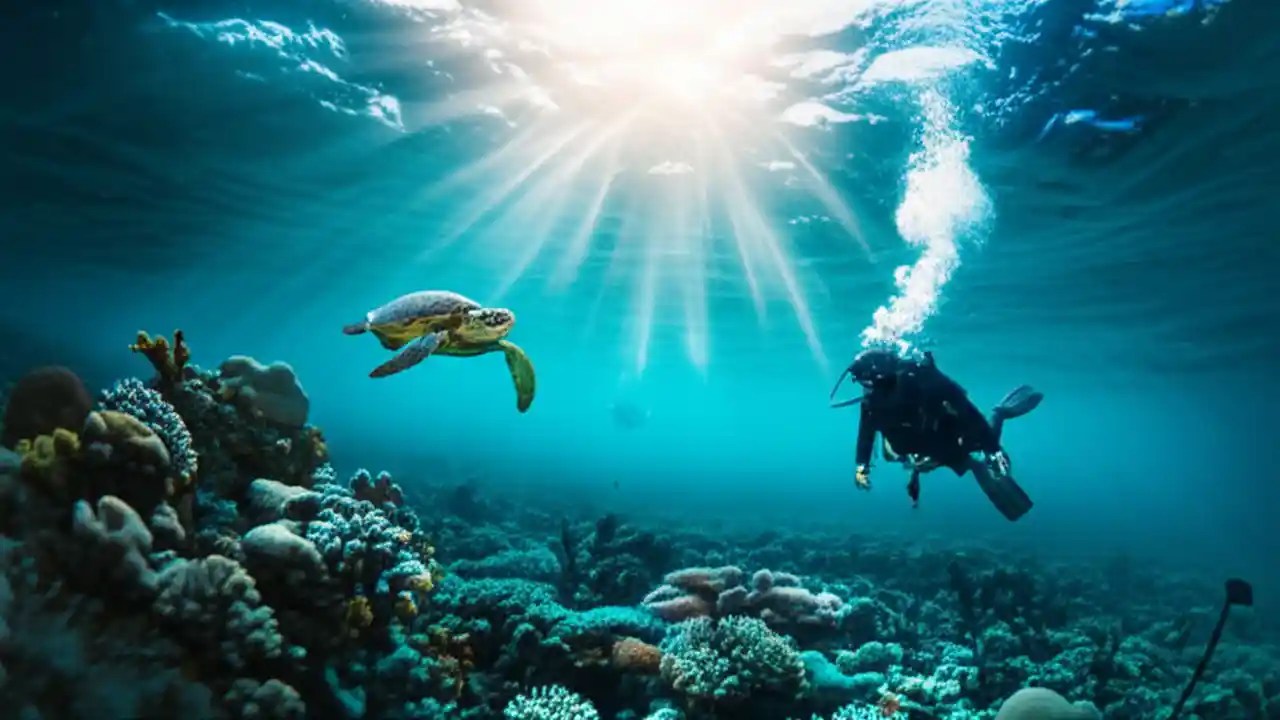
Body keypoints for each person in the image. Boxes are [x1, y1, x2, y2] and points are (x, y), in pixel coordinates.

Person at [829, 347, 1043, 521]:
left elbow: (967, 412)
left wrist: (992, 451)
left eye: (867, 381)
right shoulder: (872, 400)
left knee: (975, 457)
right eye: (863, 382)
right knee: (902, 454)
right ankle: (976, 456)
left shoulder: (923, 381)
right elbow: (866, 433)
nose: (866, 388)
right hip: (915, 451)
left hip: (946, 442)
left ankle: (999, 413)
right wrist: (861, 466)